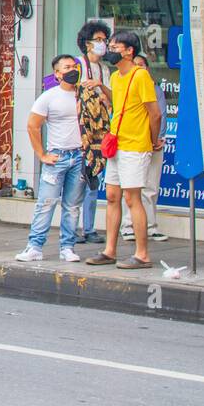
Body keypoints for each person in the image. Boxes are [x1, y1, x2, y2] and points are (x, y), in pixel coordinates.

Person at [86, 31, 162, 270]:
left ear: (129, 50)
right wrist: (102, 88)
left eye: (114, 46)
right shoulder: (117, 77)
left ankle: (142, 254)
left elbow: (155, 112)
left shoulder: (141, 76)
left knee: (132, 198)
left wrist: (151, 140)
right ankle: (110, 250)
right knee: (111, 197)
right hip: (117, 145)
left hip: (136, 145)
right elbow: (119, 103)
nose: (109, 49)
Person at [17, 55, 85, 262]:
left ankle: (68, 247)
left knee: (72, 206)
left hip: (79, 155)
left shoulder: (84, 95)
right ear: (57, 73)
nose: (72, 70)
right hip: (57, 156)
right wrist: (41, 154)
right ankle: (35, 246)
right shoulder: (49, 97)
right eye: (67, 67)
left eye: (74, 66)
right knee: (46, 203)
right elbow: (32, 125)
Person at [120, 55, 169, 244]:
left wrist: (158, 138)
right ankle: (127, 226)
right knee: (130, 188)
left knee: (150, 187)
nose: (139, 68)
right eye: (136, 65)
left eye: (142, 65)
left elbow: (161, 114)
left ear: (148, 69)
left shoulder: (155, 89)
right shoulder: (124, 87)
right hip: (132, 144)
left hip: (154, 143)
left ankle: (151, 227)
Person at [76, 20, 112, 243]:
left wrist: (99, 88)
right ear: (87, 43)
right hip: (80, 130)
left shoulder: (105, 70)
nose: (102, 44)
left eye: (104, 40)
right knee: (78, 181)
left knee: (93, 179)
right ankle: (74, 228)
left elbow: (110, 98)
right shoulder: (77, 65)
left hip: (99, 130)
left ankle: (88, 228)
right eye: (98, 40)